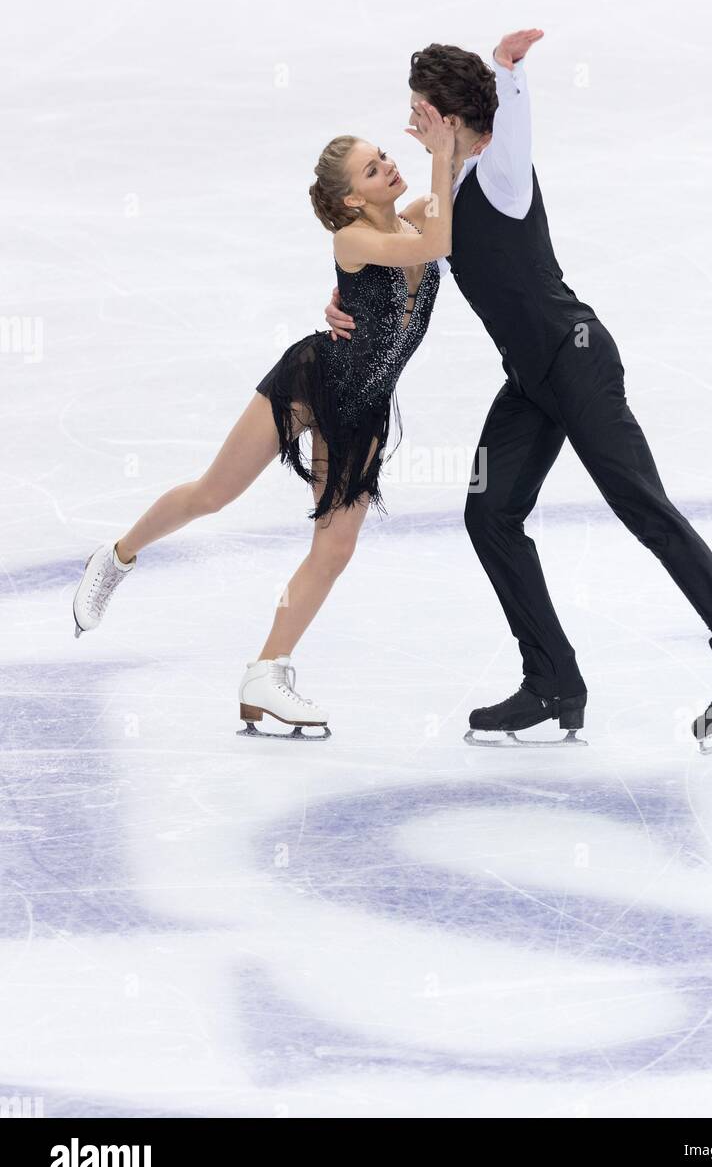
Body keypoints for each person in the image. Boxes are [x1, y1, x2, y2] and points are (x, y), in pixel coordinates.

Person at [325, 29, 712, 750]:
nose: (410, 124)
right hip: (532, 380)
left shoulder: (502, 178)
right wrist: (339, 302)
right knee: (490, 515)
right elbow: (396, 260)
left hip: (578, 364)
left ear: (448, 122)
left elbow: (509, 122)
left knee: (643, 507)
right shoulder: (443, 197)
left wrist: (506, 71)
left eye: (420, 111)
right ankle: (552, 680)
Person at [71, 102, 456, 738]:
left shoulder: (414, 221)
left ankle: (266, 673)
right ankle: (117, 557)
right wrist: (440, 156)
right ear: (351, 200)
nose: (388, 166)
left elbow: (449, 209)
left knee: (335, 550)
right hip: (312, 382)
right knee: (213, 494)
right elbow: (440, 237)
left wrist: (457, 134)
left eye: (384, 156)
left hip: (364, 407)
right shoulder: (353, 238)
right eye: (371, 169)